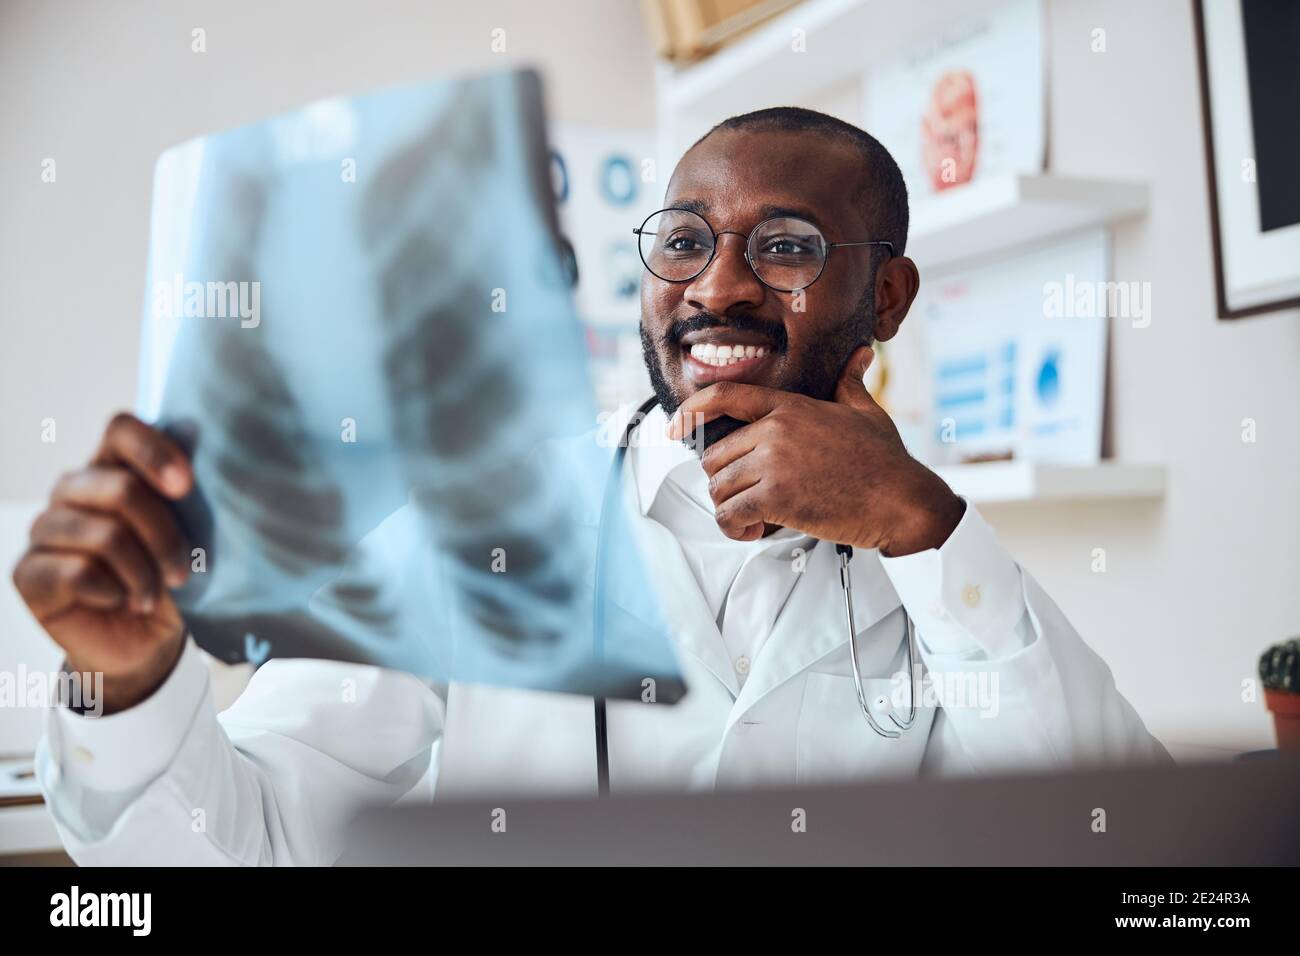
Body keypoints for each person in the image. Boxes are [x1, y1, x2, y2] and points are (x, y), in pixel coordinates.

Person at [12, 107, 1169, 866]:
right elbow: (243, 841)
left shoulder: (936, 560)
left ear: (888, 298)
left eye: (788, 246)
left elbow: (1120, 841)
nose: (719, 286)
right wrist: (124, 685)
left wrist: (920, 523)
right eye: (682, 241)